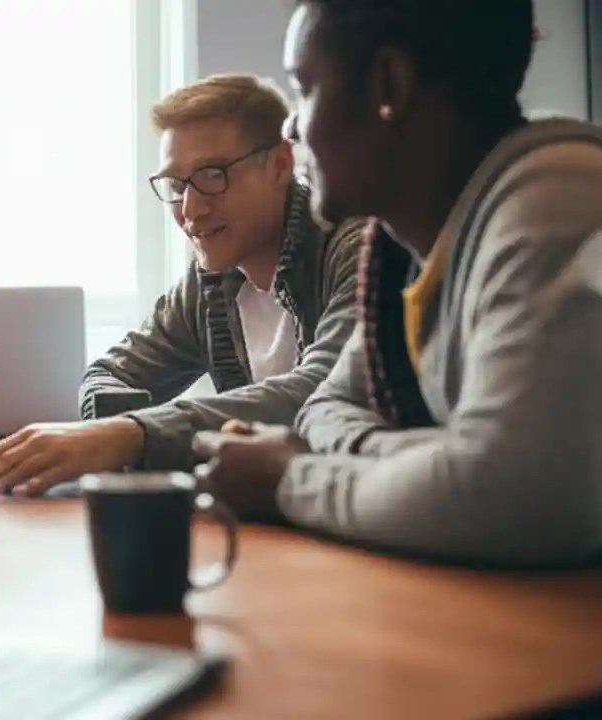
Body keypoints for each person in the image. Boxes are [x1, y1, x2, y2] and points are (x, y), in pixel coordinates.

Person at [198, 0, 602, 566]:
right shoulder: (402, 252)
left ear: (390, 85)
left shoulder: (556, 202)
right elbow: (323, 408)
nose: (290, 126)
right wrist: (430, 457)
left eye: (304, 86)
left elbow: (516, 498)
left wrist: (289, 478)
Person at [0, 75, 365, 496]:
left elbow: (321, 390)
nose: (190, 210)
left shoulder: (358, 250)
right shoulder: (209, 283)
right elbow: (112, 374)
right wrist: (115, 440)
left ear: (280, 166)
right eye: (177, 185)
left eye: (212, 175)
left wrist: (131, 436)